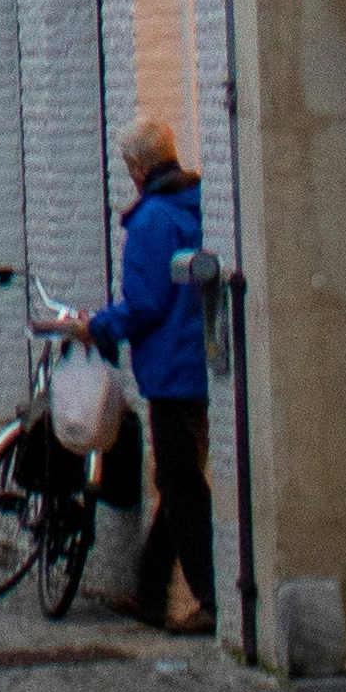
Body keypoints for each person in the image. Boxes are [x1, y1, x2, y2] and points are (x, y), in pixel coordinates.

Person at [83, 118, 216, 636]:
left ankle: (208, 599)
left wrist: (97, 325)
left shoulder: (152, 221)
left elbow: (144, 305)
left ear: (137, 169)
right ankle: (149, 587)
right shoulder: (201, 201)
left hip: (171, 371)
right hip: (204, 366)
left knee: (181, 485)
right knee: (177, 479)